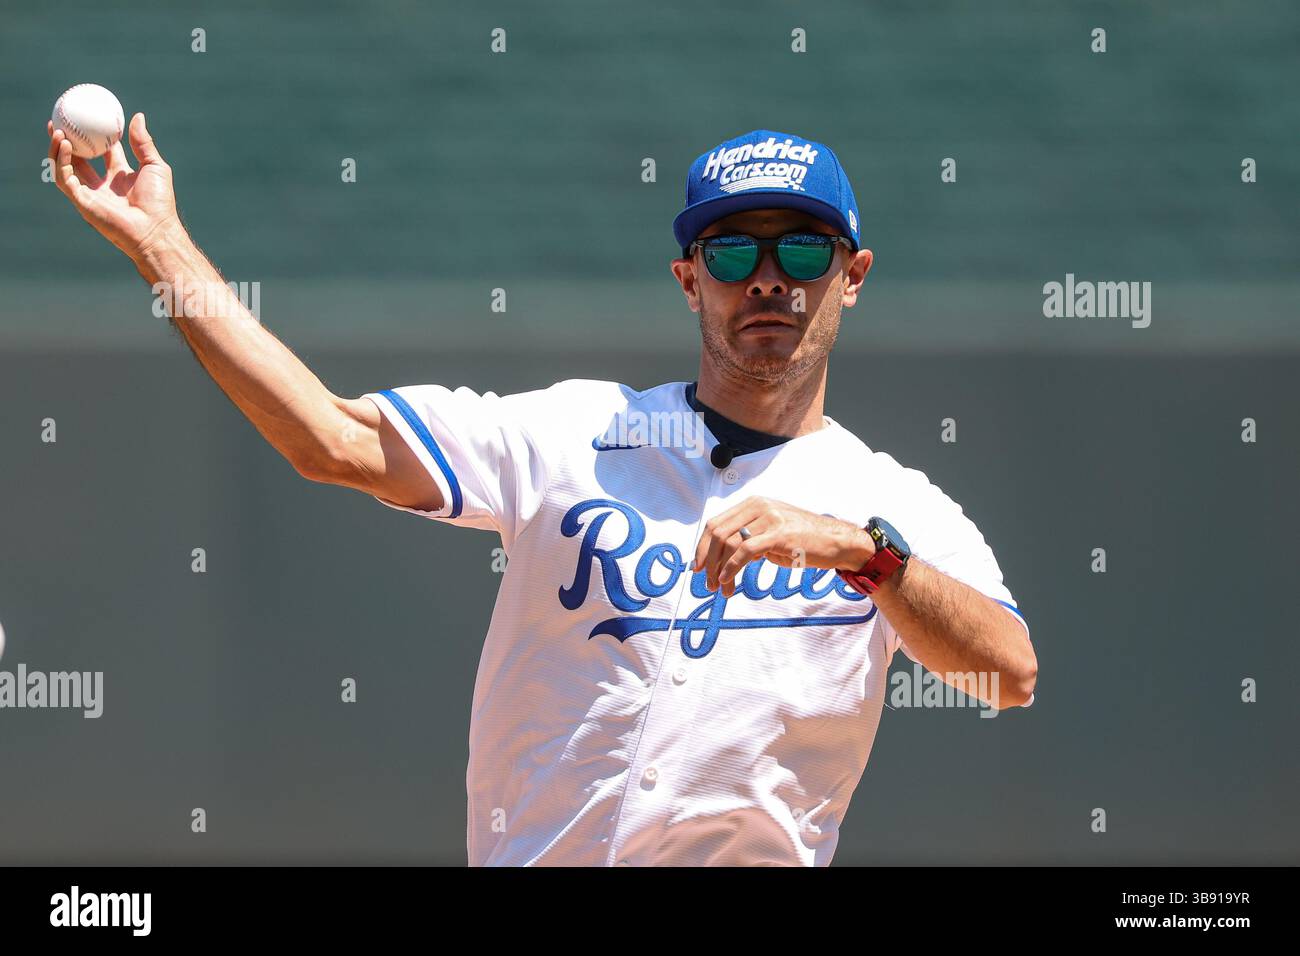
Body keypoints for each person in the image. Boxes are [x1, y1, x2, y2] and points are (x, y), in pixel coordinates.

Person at [48, 121, 1037, 866]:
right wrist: (159, 247)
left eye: (802, 251)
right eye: (733, 252)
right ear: (689, 280)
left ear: (851, 275)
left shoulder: (877, 499)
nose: (768, 278)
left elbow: (1008, 672)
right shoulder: (576, 432)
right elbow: (330, 439)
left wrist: (866, 554)